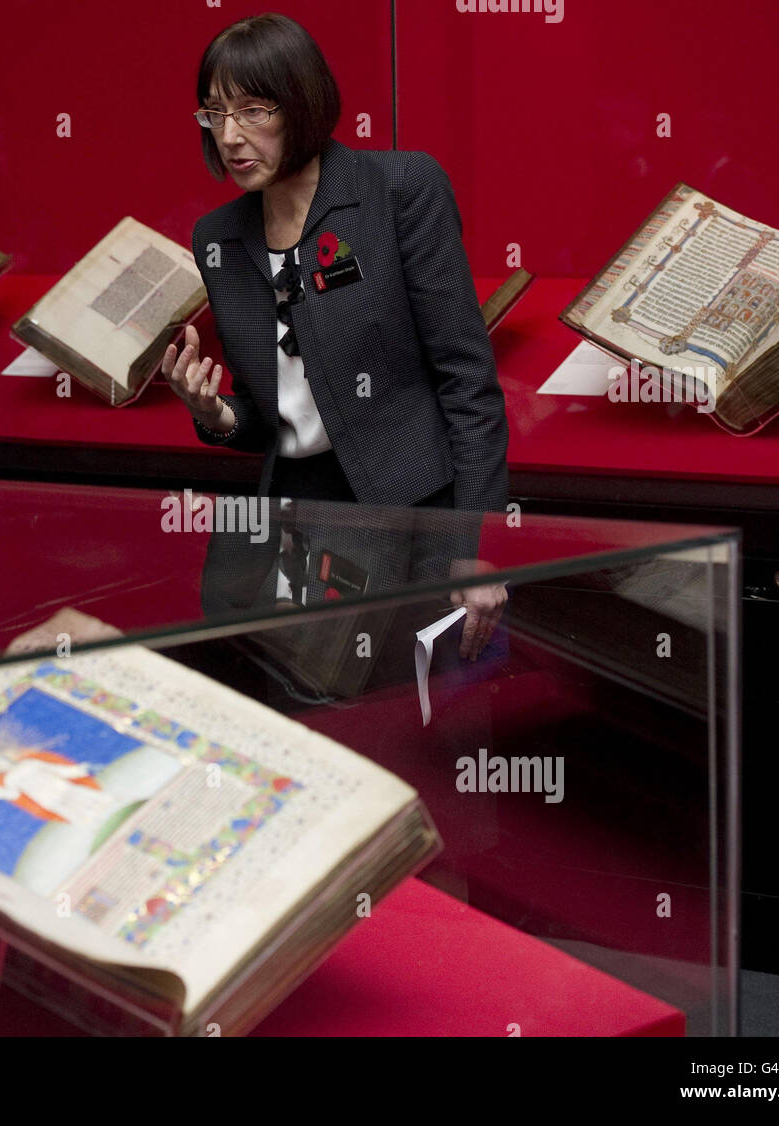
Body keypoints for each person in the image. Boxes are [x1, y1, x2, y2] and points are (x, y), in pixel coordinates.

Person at [162, 12, 507, 658]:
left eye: (253, 111)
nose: (231, 137)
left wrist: (473, 551)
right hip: (294, 526)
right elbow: (269, 419)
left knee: (416, 730)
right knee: (303, 721)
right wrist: (213, 412)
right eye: (214, 114)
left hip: (412, 521)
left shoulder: (400, 191)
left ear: (301, 105)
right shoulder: (219, 238)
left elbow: (470, 385)